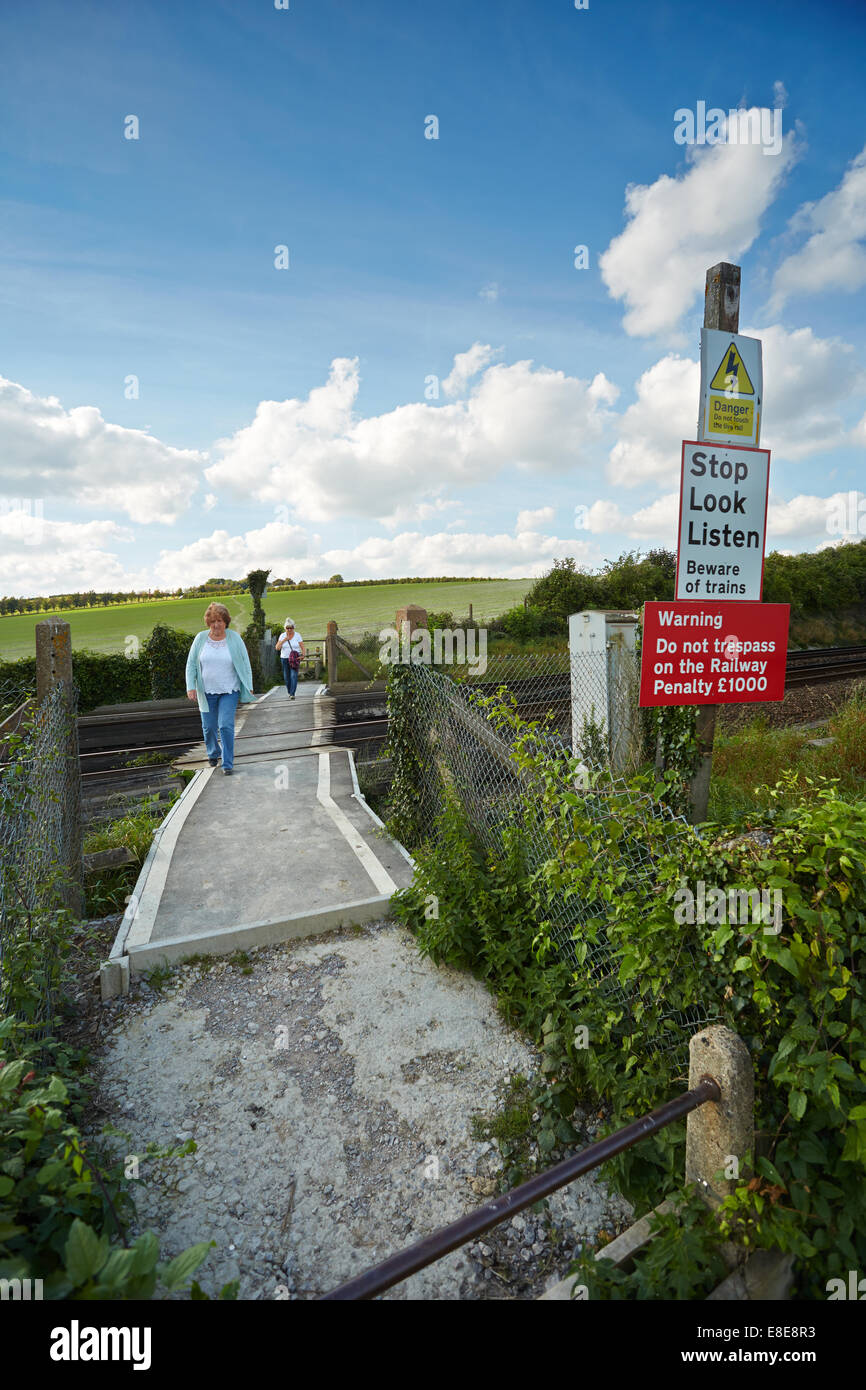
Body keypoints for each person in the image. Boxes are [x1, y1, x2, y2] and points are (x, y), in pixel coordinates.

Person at [185, 603, 254, 774]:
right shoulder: (200, 639)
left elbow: (245, 663)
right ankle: (213, 752)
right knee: (208, 727)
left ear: (226, 622)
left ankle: (228, 763)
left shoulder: (234, 638)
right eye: (213, 621)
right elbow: (191, 664)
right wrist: (190, 686)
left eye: (220, 621)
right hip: (206, 691)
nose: (217, 624)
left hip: (229, 690)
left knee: (225, 726)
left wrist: (249, 685)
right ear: (208, 622)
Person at [275, 619, 306, 699]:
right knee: (286, 677)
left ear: (293, 628)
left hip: (295, 659)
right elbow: (277, 648)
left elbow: (302, 646)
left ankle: (292, 694)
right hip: (284, 658)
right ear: (285, 628)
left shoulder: (297, 635)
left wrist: (303, 655)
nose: (289, 630)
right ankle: (289, 691)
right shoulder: (282, 636)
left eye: (291, 628)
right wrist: (284, 640)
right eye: (287, 628)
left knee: (293, 676)